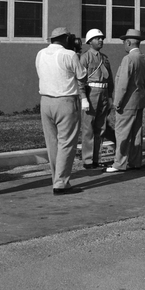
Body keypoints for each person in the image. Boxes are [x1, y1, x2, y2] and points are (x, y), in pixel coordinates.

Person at [35, 27, 88, 194]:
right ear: (65, 38)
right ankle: (61, 183)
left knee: (52, 143)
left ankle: (56, 178)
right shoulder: (69, 55)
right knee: (66, 142)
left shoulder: (40, 54)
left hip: (45, 101)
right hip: (65, 100)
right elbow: (82, 77)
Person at [109, 29, 145, 172]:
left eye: (124, 42)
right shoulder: (144, 58)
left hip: (127, 102)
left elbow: (123, 84)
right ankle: (135, 161)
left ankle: (119, 163)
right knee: (136, 133)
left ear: (128, 42)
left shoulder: (128, 59)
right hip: (139, 100)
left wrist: (117, 102)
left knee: (122, 133)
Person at [79, 28, 114, 169]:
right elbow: (80, 80)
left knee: (101, 127)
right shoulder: (85, 57)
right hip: (91, 92)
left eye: (102, 38)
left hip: (104, 92)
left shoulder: (104, 58)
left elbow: (110, 79)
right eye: (97, 38)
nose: (101, 40)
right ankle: (88, 160)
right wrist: (83, 98)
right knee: (88, 127)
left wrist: (110, 96)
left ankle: (96, 158)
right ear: (89, 41)